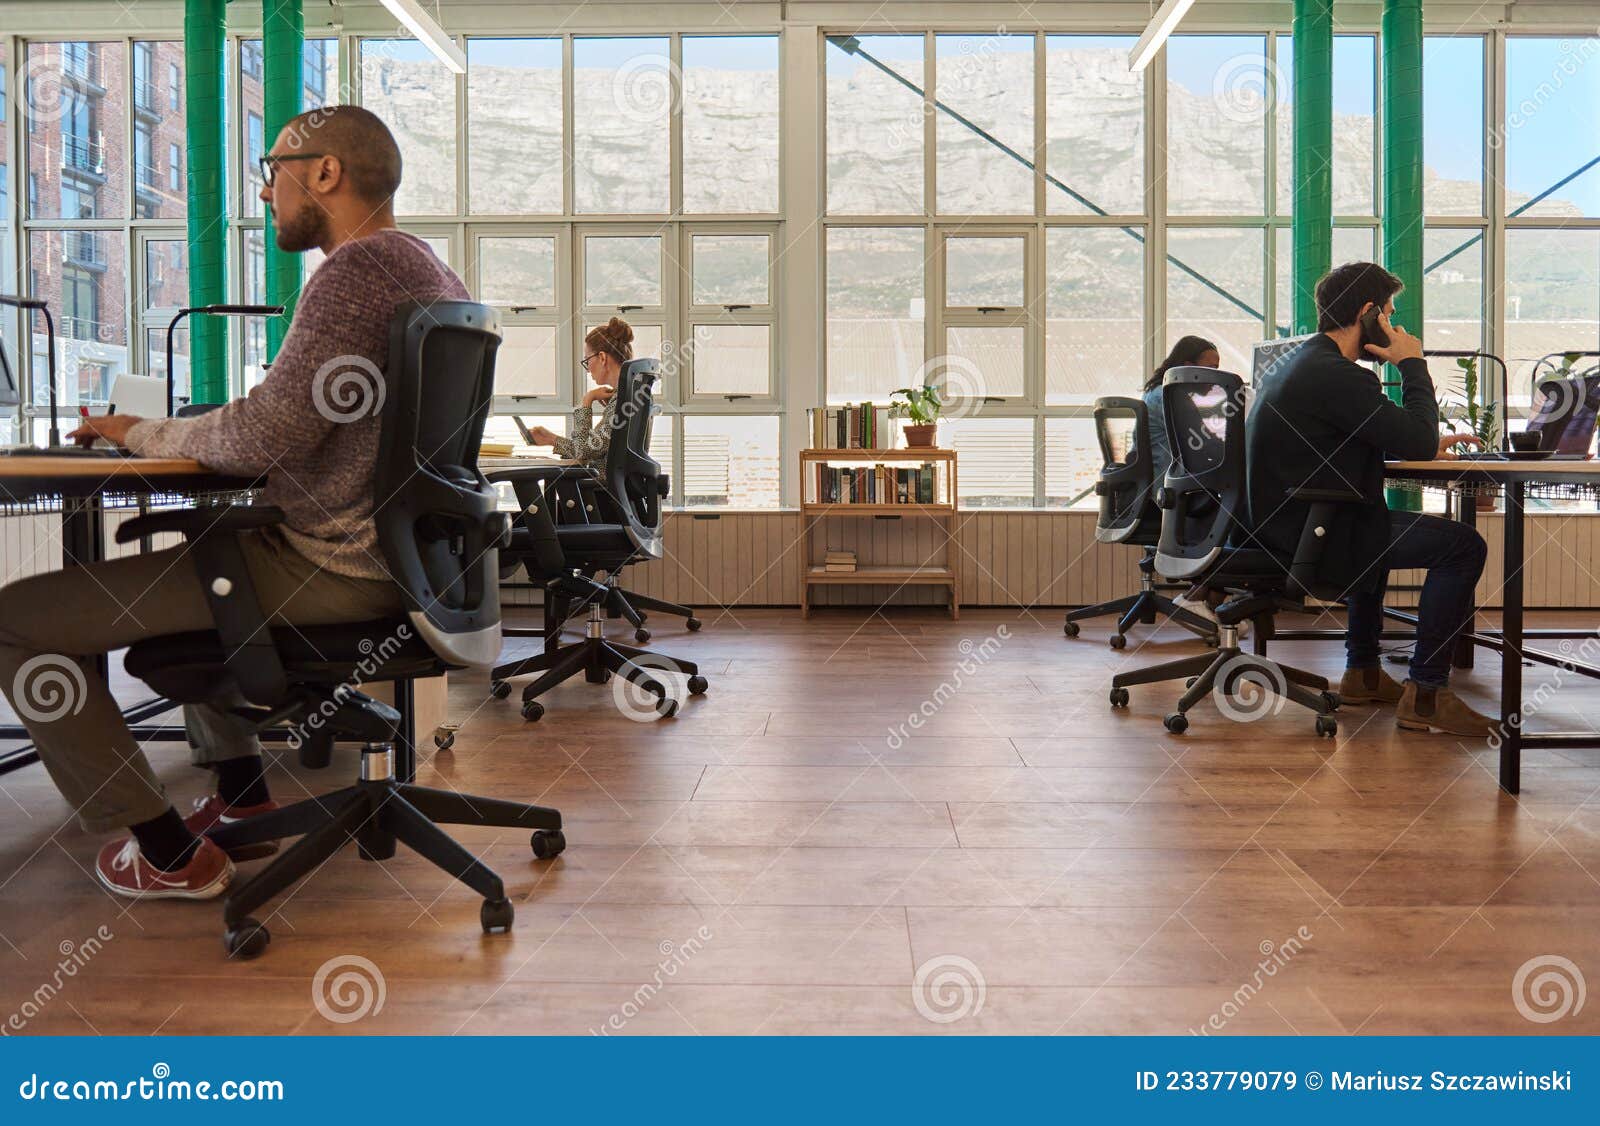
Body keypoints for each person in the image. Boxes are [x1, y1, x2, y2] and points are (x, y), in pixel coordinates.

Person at [0, 105, 469, 900]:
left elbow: (262, 434)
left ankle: (166, 854)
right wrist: (170, 432)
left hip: (334, 566)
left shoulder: (357, 274)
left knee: (15, 621)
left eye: (273, 173)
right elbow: (284, 422)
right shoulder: (427, 269)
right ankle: (243, 793)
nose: (265, 196)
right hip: (403, 561)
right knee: (197, 557)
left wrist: (139, 431)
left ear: (325, 174)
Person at [1245, 261, 1490, 737]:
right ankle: (1426, 693)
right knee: (1463, 547)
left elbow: (1379, 434)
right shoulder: (1338, 375)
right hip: (1312, 535)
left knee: (1373, 521)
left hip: (1285, 526)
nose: (1396, 325)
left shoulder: (1303, 363)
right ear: (1369, 312)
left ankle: (1363, 672)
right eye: (1391, 312)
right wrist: (1412, 362)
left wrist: (1418, 438)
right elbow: (1416, 441)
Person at [527, 318, 635, 466]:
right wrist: (551, 439)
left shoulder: (621, 401)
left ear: (602, 357)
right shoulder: (630, 393)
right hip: (613, 482)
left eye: (587, 360)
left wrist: (587, 401)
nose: (588, 368)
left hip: (601, 484)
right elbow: (589, 448)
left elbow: (584, 452)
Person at [1142, 335, 1220, 485]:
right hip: (1166, 490)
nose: (1216, 377)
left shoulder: (1159, 392)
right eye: (1211, 369)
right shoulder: (1169, 397)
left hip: (1161, 486)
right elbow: (1207, 446)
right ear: (1188, 367)